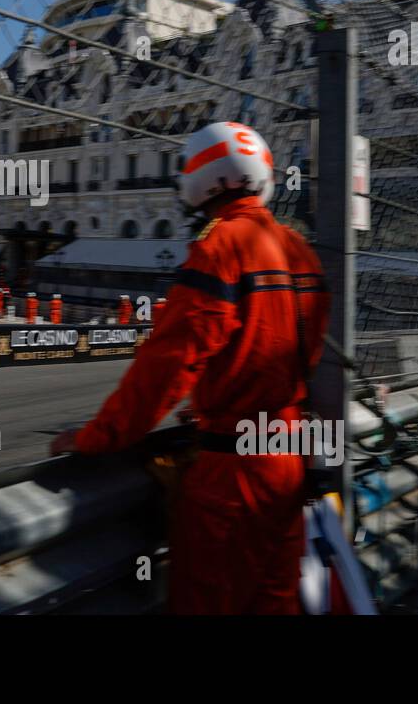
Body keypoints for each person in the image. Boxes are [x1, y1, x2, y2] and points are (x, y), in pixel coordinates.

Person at [50, 121, 330, 614]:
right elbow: (295, 352)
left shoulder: (220, 246)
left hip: (233, 475)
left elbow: (167, 366)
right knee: (276, 603)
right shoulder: (299, 249)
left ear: (209, 179)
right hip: (290, 458)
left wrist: (99, 436)